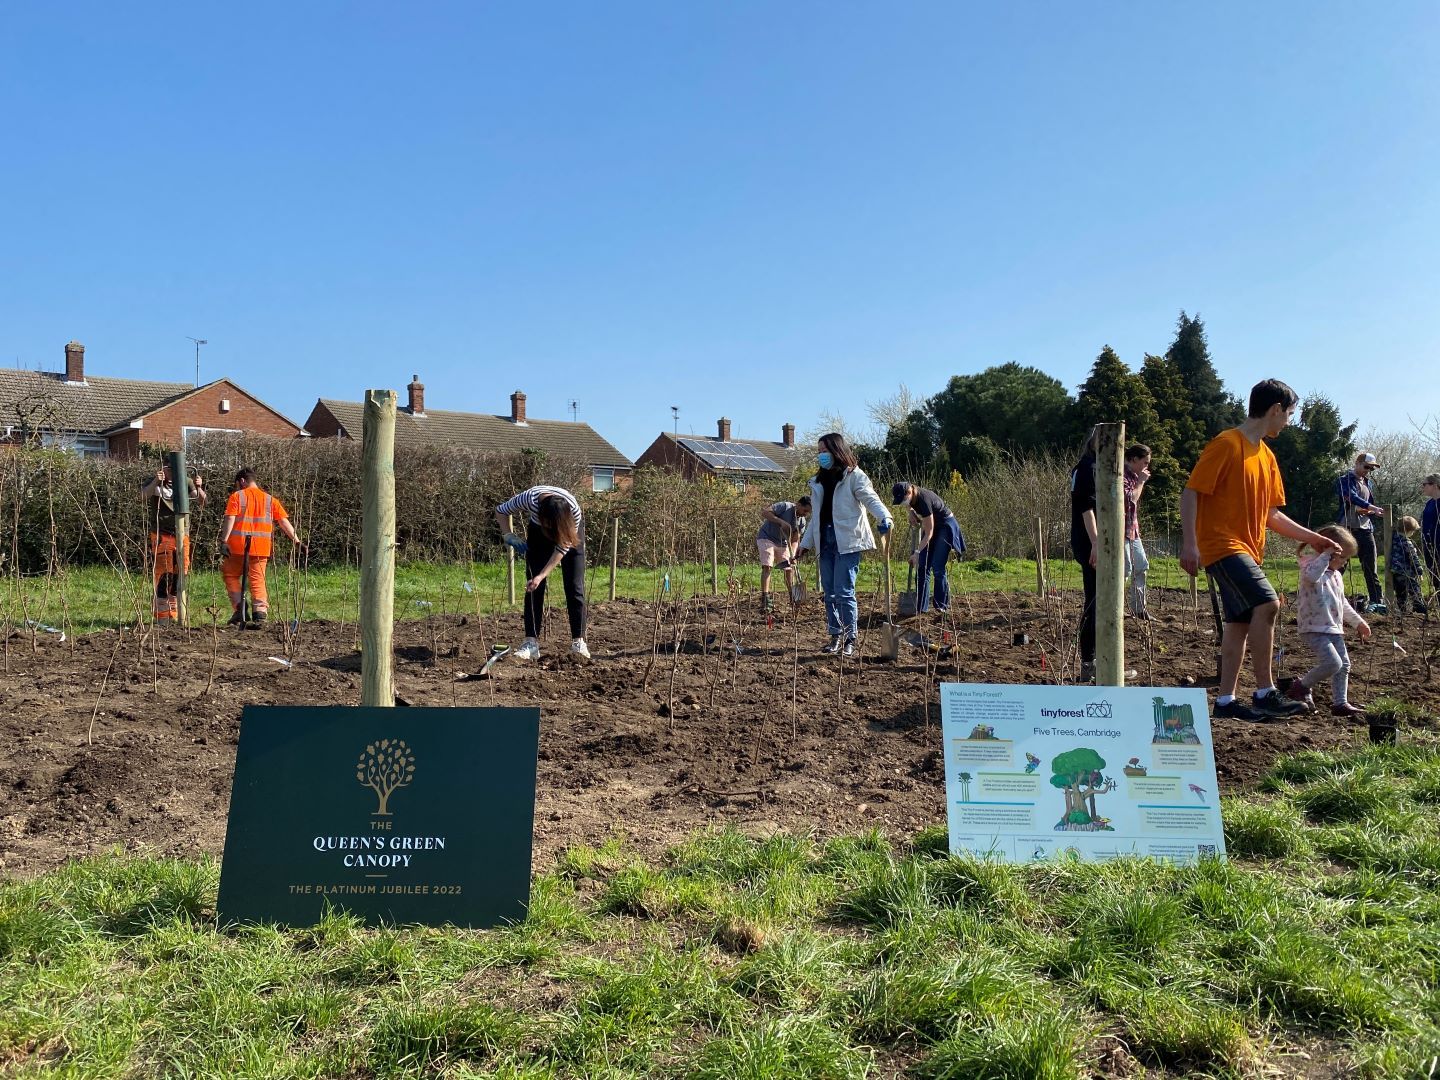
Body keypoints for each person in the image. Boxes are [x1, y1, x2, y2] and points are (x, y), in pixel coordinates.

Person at [1181, 379, 1342, 721]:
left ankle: (1225, 702)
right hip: (1221, 545)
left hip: (1247, 550)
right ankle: (1265, 691)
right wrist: (1190, 544)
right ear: (1274, 410)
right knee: (1268, 603)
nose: (1288, 422)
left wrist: (1314, 537)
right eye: (1288, 414)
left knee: (1239, 621)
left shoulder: (1266, 456)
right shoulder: (1228, 444)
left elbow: (1272, 515)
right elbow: (1192, 492)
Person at [793, 433, 892, 657]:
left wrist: (884, 517)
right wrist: (805, 544)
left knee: (844, 592)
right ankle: (835, 636)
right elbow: (816, 517)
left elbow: (871, 499)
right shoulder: (817, 481)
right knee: (829, 593)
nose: (821, 456)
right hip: (824, 540)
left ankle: (850, 637)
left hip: (847, 540)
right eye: (818, 452)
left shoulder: (853, 476)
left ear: (836, 451)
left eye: (824, 451)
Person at [495, 485, 589, 660]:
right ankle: (531, 643)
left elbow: (562, 548)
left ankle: (579, 642)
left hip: (569, 531)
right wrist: (508, 534)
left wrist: (542, 574)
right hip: (538, 533)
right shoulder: (529, 499)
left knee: (574, 587)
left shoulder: (573, 512)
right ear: (542, 517)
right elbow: (501, 510)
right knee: (533, 586)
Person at [1285, 525, 1371, 717]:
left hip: (1333, 628)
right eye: (1342, 557)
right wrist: (1326, 554)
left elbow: (1343, 604)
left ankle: (1340, 703)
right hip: (1313, 627)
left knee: (1344, 664)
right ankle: (1300, 686)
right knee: (1333, 663)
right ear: (1327, 552)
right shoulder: (1310, 566)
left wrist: (1358, 622)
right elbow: (1312, 576)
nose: (1344, 563)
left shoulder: (1337, 576)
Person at [219, 468, 302, 625]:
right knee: (257, 579)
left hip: (237, 547)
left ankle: (240, 608)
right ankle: (260, 613)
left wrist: (224, 541)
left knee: (230, 574)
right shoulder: (270, 500)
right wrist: (297, 541)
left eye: (237, 484)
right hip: (261, 548)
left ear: (242, 481)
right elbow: (284, 522)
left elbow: (230, 519)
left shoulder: (237, 496)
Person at [141, 463, 206, 621]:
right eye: (169, 468)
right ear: (163, 468)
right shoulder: (154, 481)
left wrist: (200, 487)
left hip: (182, 533)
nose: (172, 472)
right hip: (161, 534)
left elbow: (202, 501)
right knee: (163, 574)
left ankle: (176, 615)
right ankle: (163, 617)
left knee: (180, 573)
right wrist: (156, 481)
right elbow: (143, 496)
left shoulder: (187, 481)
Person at [891, 481, 966, 613]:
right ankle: (920, 607)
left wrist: (917, 552)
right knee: (922, 567)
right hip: (931, 525)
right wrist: (911, 512)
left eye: (903, 499)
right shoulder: (911, 496)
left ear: (909, 492)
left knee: (937, 567)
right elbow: (910, 505)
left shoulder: (924, 500)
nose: (903, 502)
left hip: (944, 525)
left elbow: (929, 532)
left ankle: (941, 606)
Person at [1336, 451, 1387, 613]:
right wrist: (1370, 507)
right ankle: (1331, 598)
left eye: (1371, 469)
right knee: (1339, 566)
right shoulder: (1344, 480)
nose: (1368, 471)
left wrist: (1370, 511)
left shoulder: (1367, 483)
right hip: (1347, 530)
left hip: (1365, 529)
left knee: (1370, 568)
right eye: (1366, 467)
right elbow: (1350, 497)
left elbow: (1365, 505)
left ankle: (1377, 603)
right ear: (1357, 463)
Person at [1070, 431, 1100, 683]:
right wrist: (1096, 542)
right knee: (1095, 601)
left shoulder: (1098, 468)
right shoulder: (1087, 469)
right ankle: (1089, 662)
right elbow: (1086, 507)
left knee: (1102, 601)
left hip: (1097, 543)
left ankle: (1101, 660)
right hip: (1090, 543)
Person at [756, 495, 810, 613]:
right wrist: (780, 521)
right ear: (798, 504)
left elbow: (795, 540)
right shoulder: (785, 507)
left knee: (789, 568)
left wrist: (793, 555)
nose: (805, 514)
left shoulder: (802, 521)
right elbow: (765, 512)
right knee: (767, 565)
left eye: (808, 512)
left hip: (783, 543)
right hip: (766, 538)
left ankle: (794, 597)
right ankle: (765, 598)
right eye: (805, 510)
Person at [1123, 444, 1152, 619]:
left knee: (1141, 566)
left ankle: (1139, 610)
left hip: (1133, 531)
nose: (1146, 467)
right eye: (1145, 462)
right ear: (1134, 459)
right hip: (1121, 532)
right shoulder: (1122, 476)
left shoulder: (1134, 476)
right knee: (1124, 571)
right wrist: (1141, 481)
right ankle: (1115, 609)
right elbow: (1129, 500)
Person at [1390, 516, 1429, 615]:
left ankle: (1402, 610)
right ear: (1409, 531)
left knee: (1400, 593)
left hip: (1395, 571)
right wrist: (1419, 572)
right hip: (1407, 572)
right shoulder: (1407, 543)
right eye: (1413, 531)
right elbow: (1413, 558)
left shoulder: (1392, 539)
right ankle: (1418, 607)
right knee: (1415, 590)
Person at [1421, 473, 1440, 595]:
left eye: (1424, 484)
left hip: (1439, 545)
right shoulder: (1429, 503)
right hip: (1429, 547)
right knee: (1435, 580)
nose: (1422, 487)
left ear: (1435, 485)